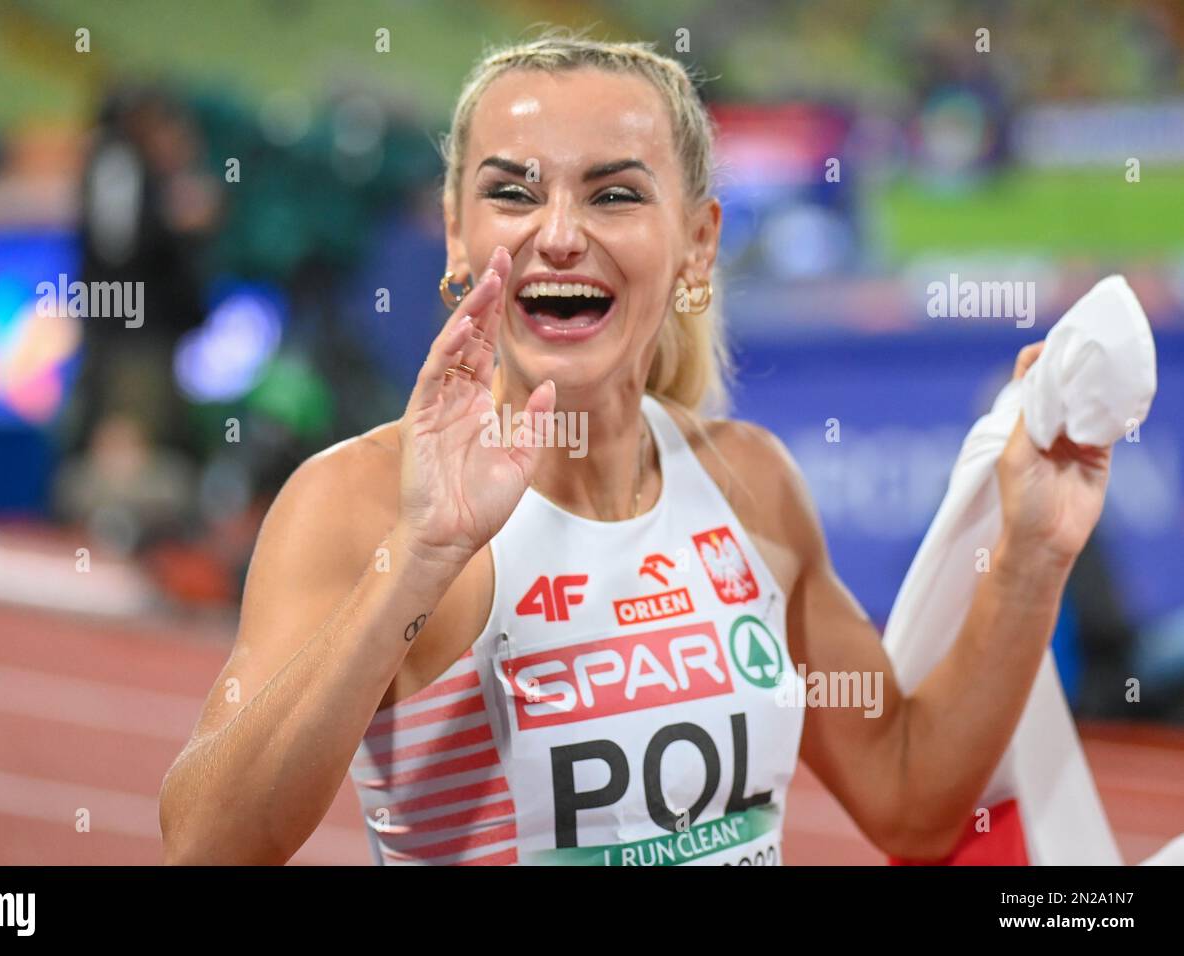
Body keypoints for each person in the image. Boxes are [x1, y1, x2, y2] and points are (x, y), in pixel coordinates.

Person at [158, 31, 1112, 866]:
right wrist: (420, 556)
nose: (559, 235)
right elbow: (205, 843)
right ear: (456, 233)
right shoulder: (357, 502)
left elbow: (909, 794)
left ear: (697, 244)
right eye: (512, 192)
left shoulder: (749, 482)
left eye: (614, 195)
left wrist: (1033, 551)